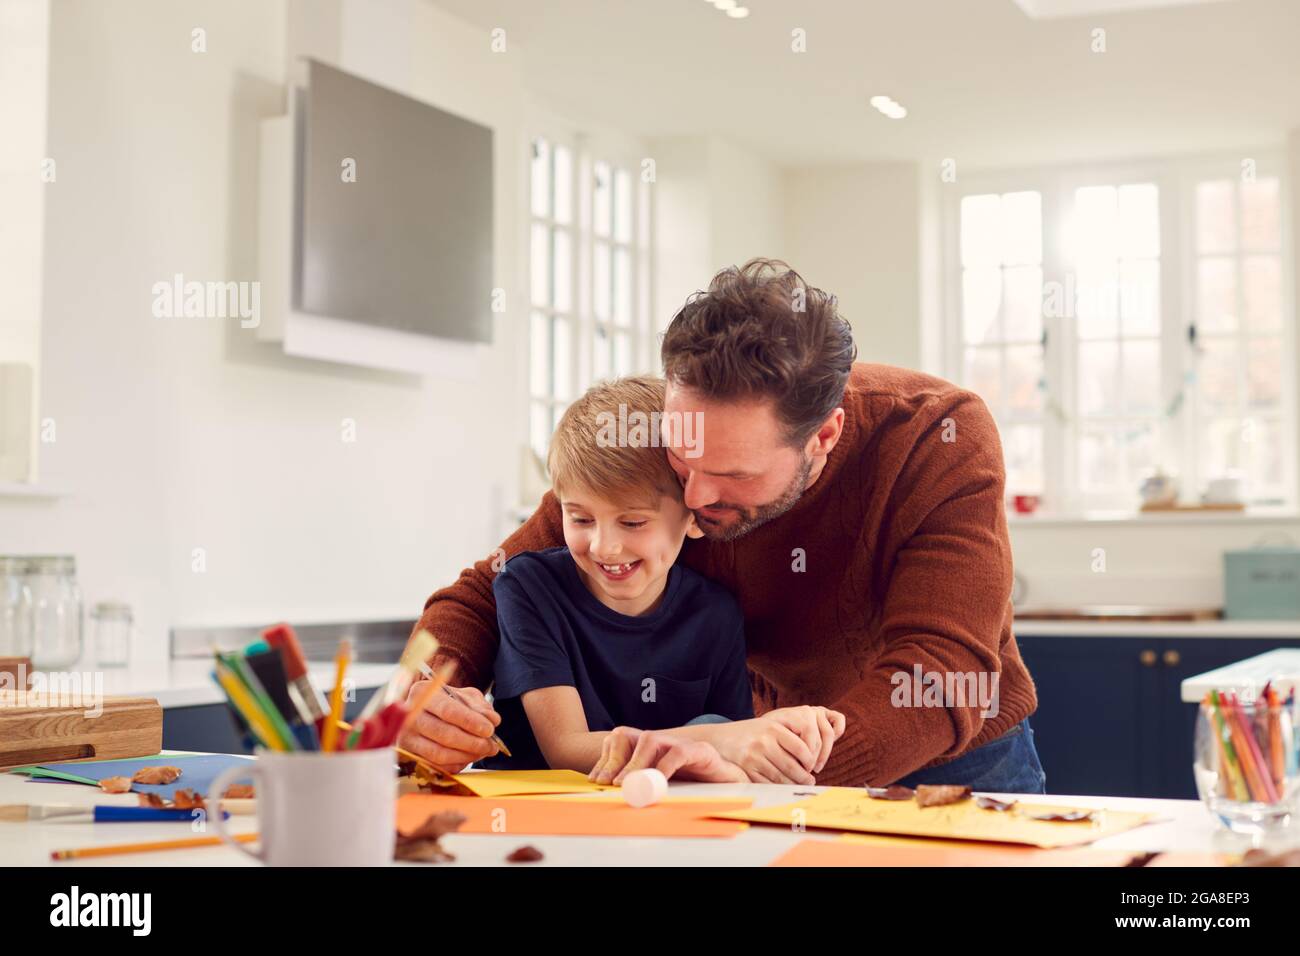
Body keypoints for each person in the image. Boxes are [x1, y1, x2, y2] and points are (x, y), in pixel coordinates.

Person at [399, 259, 1044, 793]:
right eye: (683, 458)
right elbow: (489, 590)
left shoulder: (935, 435)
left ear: (823, 435)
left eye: (733, 475)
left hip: (950, 768)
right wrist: (421, 698)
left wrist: (766, 771)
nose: (695, 493)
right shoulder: (657, 431)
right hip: (755, 764)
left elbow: (938, 674)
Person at [481, 375, 845, 785]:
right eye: (580, 518)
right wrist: (721, 739)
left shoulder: (716, 613)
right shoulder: (530, 587)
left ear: (695, 516)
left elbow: (731, 749)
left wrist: (764, 739)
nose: (605, 547)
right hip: (539, 817)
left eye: (633, 522)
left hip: (660, 821)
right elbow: (565, 747)